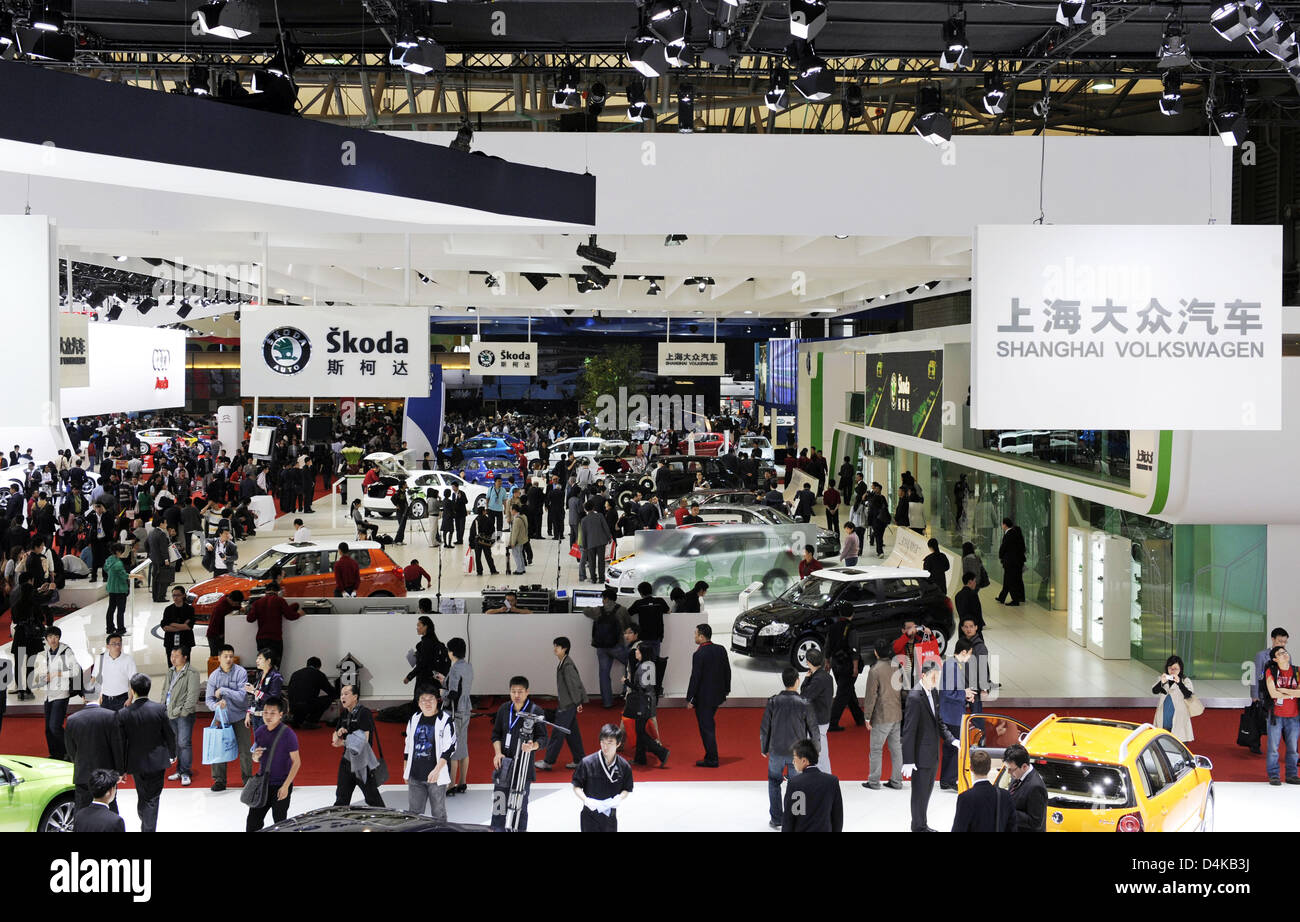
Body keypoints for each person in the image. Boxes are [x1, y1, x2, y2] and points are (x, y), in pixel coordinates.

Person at [900, 660, 958, 832]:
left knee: (926, 793)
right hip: (920, 756)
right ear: (923, 675)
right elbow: (909, 730)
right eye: (933, 677)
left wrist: (951, 739)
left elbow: (938, 721)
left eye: (937, 677)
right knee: (919, 794)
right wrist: (908, 760)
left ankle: (921, 825)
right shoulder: (914, 697)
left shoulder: (933, 693)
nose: (936, 681)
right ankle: (918, 827)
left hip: (932, 754)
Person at [761, 666, 820, 829]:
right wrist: (816, 750)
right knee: (797, 785)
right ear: (797, 681)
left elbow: (765, 727)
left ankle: (777, 819)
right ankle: (795, 820)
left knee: (774, 782)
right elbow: (813, 729)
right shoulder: (804, 703)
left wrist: (763, 747)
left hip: (776, 751)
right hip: (798, 754)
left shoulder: (773, 701)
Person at [117, 673, 175, 833]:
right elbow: (169, 733)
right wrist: (172, 753)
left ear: (132, 690)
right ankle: (147, 827)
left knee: (143, 795)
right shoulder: (159, 709)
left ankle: (145, 822)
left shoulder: (124, 713)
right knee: (152, 798)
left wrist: (121, 768)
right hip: (157, 760)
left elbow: (121, 742)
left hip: (136, 762)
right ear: (149, 688)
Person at [489, 675, 549, 830]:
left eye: (520, 691)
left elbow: (543, 738)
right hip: (504, 764)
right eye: (513, 691)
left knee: (520, 806)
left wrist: (533, 745)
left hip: (523, 766)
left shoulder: (535, 711)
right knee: (499, 803)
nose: (516, 695)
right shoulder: (503, 709)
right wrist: (497, 753)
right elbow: (496, 734)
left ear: (527, 692)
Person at [402, 685, 456, 824]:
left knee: (438, 813)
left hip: (436, 777)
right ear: (418, 703)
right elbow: (408, 745)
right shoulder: (414, 718)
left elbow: (449, 748)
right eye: (423, 700)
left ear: (437, 700)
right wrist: (406, 769)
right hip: (415, 775)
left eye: (430, 699)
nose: (427, 703)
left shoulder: (445, 720)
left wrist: (437, 770)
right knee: (414, 814)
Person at [246, 695, 301, 831]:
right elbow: (256, 757)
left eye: (272, 713)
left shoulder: (288, 734)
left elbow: (296, 762)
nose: (268, 716)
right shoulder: (260, 731)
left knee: (280, 823)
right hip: (263, 784)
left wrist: (286, 786)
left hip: (280, 785)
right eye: (265, 712)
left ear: (280, 715)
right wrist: (255, 757)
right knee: (253, 822)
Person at [65, 691, 125, 810]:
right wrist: (120, 772)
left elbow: (70, 750)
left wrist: (79, 762)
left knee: (82, 811)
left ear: (83, 698)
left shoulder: (72, 719)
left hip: (82, 774)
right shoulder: (112, 716)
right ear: (100, 697)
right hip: (107, 775)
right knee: (110, 809)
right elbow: (118, 747)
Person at [205, 644, 252, 792]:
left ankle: (248, 780)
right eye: (225, 656)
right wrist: (217, 706)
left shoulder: (241, 672)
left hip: (239, 716)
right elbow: (208, 700)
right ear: (218, 658)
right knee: (219, 750)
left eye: (231, 656)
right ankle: (219, 781)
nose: (229, 659)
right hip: (221, 719)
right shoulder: (213, 676)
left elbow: (242, 696)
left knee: (245, 751)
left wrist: (224, 690)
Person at [571, 723, 635, 832]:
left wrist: (619, 798)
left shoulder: (624, 766)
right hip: (590, 813)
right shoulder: (587, 762)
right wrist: (586, 800)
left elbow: (627, 788)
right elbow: (576, 785)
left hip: (610, 814)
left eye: (610, 743)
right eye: (602, 742)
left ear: (618, 744)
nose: (605, 746)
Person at [332, 682, 387, 806]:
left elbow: (364, 740)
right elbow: (334, 736)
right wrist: (338, 735)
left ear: (355, 696)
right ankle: (340, 823)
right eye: (341, 694)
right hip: (346, 761)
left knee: (373, 799)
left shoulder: (364, 713)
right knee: (341, 798)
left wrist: (343, 742)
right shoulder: (344, 714)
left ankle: (382, 821)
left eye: (346, 694)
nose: (342, 697)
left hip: (362, 763)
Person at [536, 636, 587, 771]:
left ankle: (548, 761)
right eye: (554, 646)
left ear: (564, 649)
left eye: (557, 646)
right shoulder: (564, 663)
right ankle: (580, 759)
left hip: (568, 704)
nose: (555, 649)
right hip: (568, 703)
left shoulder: (567, 665)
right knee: (572, 733)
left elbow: (574, 685)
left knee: (557, 733)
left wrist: (577, 702)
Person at [32, 626, 80, 760]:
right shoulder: (46, 651)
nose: (53, 640)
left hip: (61, 693)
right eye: (50, 637)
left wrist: (58, 674)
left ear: (59, 638)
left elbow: (75, 671)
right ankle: (56, 754)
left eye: (56, 637)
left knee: (55, 727)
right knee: (48, 728)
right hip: (49, 693)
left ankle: (70, 752)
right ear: (46, 639)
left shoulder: (66, 651)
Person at [687, 624, 730, 768]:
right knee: (708, 725)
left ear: (701, 636)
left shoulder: (699, 654)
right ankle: (710, 756)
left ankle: (712, 759)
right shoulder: (721, 649)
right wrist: (726, 690)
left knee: (707, 728)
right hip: (717, 696)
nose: (694, 636)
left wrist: (690, 698)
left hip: (704, 699)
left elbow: (695, 678)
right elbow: (727, 671)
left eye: (695, 634)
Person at [782, 737, 843, 833]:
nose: (793, 762)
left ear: (804, 761)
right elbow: (837, 817)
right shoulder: (832, 781)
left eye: (794, 758)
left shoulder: (794, 783)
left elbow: (789, 819)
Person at [625, 642, 669, 767]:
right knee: (640, 730)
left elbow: (641, 688)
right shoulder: (649, 665)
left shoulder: (643, 666)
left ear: (643, 653)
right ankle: (640, 758)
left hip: (643, 702)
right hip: (649, 700)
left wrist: (627, 682)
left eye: (638, 651)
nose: (635, 652)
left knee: (640, 732)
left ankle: (661, 752)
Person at [586, 587, 631, 709]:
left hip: (601, 647)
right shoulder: (622, 610)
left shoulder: (597, 611)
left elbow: (585, 611)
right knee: (631, 664)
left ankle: (607, 702)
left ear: (605, 599)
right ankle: (626, 693)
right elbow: (628, 625)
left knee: (604, 673)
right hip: (617, 646)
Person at [952, 749, 1016, 832]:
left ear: (971, 768)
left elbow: (959, 828)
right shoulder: (1005, 795)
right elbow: (1012, 826)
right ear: (989, 768)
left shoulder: (965, 797)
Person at [163, 646, 201, 787]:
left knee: (184, 743)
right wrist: (163, 708)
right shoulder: (171, 671)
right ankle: (179, 770)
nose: (173, 658)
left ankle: (185, 772)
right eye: (172, 655)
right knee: (176, 743)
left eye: (177, 655)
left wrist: (183, 711)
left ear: (185, 657)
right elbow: (165, 691)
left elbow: (192, 696)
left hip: (183, 715)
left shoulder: (192, 673)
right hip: (169, 712)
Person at [440, 637, 473, 795]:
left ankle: (451, 785)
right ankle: (462, 782)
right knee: (463, 747)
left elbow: (453, 693)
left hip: (455, 711)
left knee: (452, 749)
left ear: (452, 652)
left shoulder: (454, 669)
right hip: (466, 709)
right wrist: (444, 680)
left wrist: (442, 692)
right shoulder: (468, 666)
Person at [1264, 645, 1300, 785]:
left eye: (1285, 652)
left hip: (1294, 715)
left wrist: (1283, 690)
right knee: (1273, 747)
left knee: (1293, 748)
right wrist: (1292, 693)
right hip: (1276, 715)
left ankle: (1292, 775)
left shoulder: (1296, 671)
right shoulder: (1271, 672)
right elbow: (1273, 693)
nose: (1285, 654)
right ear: (1275, 659)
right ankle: (1274, 775)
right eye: (1280, 653)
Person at [1251, 628, 1289, 755]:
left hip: (1281, 696)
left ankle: (1292, 750)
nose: (1282, 644)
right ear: (1273, 639)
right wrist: (1255, 695)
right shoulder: (1262, 655)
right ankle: (1254, 743)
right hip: (1264, 695)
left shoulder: (1287, 656)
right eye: (1280, 641)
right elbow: (1256, 675)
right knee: (1260, 719)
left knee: (1285, 724)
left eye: (1284, 642)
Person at [244, 582, 301, 666]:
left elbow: (250, 619)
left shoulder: (257, 603)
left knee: (263, 665)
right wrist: (300, 614)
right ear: (278, 592)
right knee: (274, 665)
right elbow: (290, 616)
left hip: (261, 639)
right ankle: (273, 679)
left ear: (266, 591)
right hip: (275, 639)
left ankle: (262, 679)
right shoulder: (280, 601)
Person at [403, 615, 450, 702]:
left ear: (425, 627)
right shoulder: (435, 642)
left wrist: (409, 677)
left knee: (420, 702)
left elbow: (422, 664)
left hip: (424, 680)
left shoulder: (426, 643)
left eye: (419, 625)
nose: (417, 628)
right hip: (434, 679)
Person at [800, 650, 834, 773]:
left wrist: (805, 680)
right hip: (823, 719)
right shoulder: (828, 677)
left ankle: (825, 779)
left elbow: (804, 696)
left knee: (820, 755)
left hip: (816, 723)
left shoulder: (817, 679)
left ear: (808, 662)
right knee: (819, 754)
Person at [1152, 654, 1196, 743]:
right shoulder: (1163, 679)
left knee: (1179, 744)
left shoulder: (1185, 681)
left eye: (1175, 669)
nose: (1172, 671)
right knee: (1162, 743)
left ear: (1181, 669)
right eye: (1170, 668)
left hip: (1179, 718)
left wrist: (1179, 683)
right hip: (1164, 718)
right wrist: (1161, 682)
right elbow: (1154, 691)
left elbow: (1188, 694)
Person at [89, 632, 137, 712]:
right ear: (107, 646)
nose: (117, 646)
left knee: (121, 723)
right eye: (114, 644)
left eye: (119, 643)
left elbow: (134, 681)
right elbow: (94, 677)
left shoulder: (128, 659)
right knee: (106, 723)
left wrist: (130, 699)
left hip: (122, 699)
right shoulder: (100, 658)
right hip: (105, 699)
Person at [1005, 743, 1048, 831]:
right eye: (1007, 768)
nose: (1008, 772)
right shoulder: (1017, 775)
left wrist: (1008, 812)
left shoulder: (1036, 787)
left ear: (1024, 767)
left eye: (1011, 769)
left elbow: (1035, 822)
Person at [286, 656, 337, 730]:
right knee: (328, 699)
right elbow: (330, 691)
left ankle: (296, 720)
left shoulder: (295, 673)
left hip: (292, 707)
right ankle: (311, 722)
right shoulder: (318, 674)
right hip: (307, 705)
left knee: (302, 701)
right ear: (319, 667)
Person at [244, 648, 284, 734]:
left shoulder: (276, 676)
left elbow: (273, 699)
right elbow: (255, 697)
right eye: (257, 658)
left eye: (260, 658)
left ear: (268, 660)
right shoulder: (260, 674)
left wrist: (254, 691)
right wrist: (248, 713)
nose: (257, 661)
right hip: (256, 716)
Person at [578, 500, 614, 584]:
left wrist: (584, 545)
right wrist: (609, 538)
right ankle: (601, 578)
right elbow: (605, 527)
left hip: (590, 543)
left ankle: (593, 578)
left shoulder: (584, 520)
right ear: (593, 507)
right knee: (601, 561)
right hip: (601, 542)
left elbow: (583, 534)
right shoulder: (600, 516)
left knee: (591, 562)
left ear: (585, 509)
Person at [995, 517, 1026, 606]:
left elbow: (1004, 547)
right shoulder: (1015, 533)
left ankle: (1015, 600)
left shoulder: (1009, 534)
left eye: (1002, 524)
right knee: (1008, 580)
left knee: (1011, 580)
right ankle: (1002, 597)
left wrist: (1000, 556)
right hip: (1015, 561)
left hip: (1011, 562)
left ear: (1005, 525)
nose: (1002, 526)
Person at [103, 542, 132, 635]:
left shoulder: (109, 560)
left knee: (111, 609)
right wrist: (136, 576)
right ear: (118, 552)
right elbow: (124, 576)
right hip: (120, 589)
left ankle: (110, 628)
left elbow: (106, 569)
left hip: (111, 588)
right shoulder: (118, 564)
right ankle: (121, 629)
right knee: (120, 610)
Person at [159, 585, 197, 656]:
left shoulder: (189, 609)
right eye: (174, 595)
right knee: (171, 664)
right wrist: (182, 626)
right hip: (170, 641)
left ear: (183, 595)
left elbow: (189, 626)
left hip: (186, 640)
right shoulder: (168, 609)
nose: (175, 598)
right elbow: (165, 627)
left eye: (178, 595)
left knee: (185, 663)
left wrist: (171, 624)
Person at [205, 590, 243, 654]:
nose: (236, 605)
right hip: (214, 636)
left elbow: (234, 606)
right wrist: (220, 635)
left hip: (220, 635)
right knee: (216, 657)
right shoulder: (220, 607)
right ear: (231, 599)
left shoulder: (228, 600)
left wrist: (239, 607)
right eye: (236, 603)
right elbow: (214, 624)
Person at [468, 508, 498, 576]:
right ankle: (493, 570)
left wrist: (471, 543)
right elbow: (492, 530)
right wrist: (492, 540)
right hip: (486, 541)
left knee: (478, 557)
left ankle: (479, 571)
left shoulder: (475, 520)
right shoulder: (488, 520)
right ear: (483, 512)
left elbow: (472, 532)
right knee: (488, 556)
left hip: (477, 541)